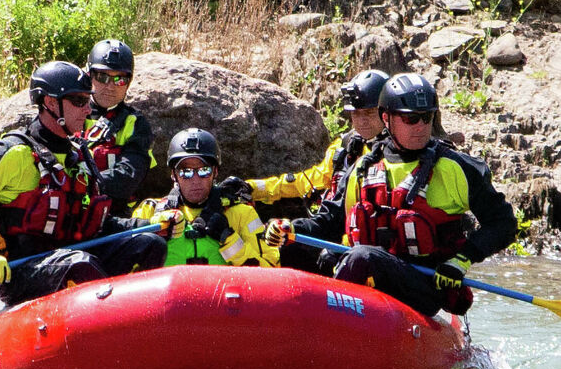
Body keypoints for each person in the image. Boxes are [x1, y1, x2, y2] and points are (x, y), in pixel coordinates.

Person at [0, 60, 166, 306]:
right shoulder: (11, 153)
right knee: (79, 264)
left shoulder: (79, 154)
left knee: (149, 244)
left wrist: (147, 225)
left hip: (74, 257)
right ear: (50, 103)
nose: (87, 110)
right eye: (78, 101)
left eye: (87, 100)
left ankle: (128, 317)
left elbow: (96, 222)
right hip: (22, 270)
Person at [293, 72, 516, 318]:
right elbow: (328, 222)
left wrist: (462, 260)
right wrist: (289, 228)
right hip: (372, 284)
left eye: (426, 117)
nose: (421, 127)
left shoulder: (457, 168)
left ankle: (330, 323)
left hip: (424, 286)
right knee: (309, 252)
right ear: (387, 118)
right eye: (410, 119)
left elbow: (503, 224)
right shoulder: (363, 168)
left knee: (362, 257)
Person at [247, 69, 388, 272]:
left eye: (369, 113)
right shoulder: (345, 147)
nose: (362, 121)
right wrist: (252, 188)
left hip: (368, 250)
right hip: (332, 235)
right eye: (356, 113)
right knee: (290, 249)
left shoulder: (395, 155)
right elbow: (307, 181)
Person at [133, 128, 286, 269]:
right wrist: (155, 236)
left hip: (224, 296)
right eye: (185, 172)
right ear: (173, 175)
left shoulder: (242, 214)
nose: (195, 179)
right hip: (167, 298)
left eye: (203, 171)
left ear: (215, 172)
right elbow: (126, 273)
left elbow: (271, 271)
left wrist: (229, 240)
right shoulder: (150, 211)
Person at [83, 38, 153, 214]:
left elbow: (129, 177)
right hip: (69, 210)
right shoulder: (69, 112)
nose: (110, 86)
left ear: (129, 82)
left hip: (116, 214)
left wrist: (78, 184)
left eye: (120, 79)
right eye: (102, 76)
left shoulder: (136, 123)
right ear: (89, 75)